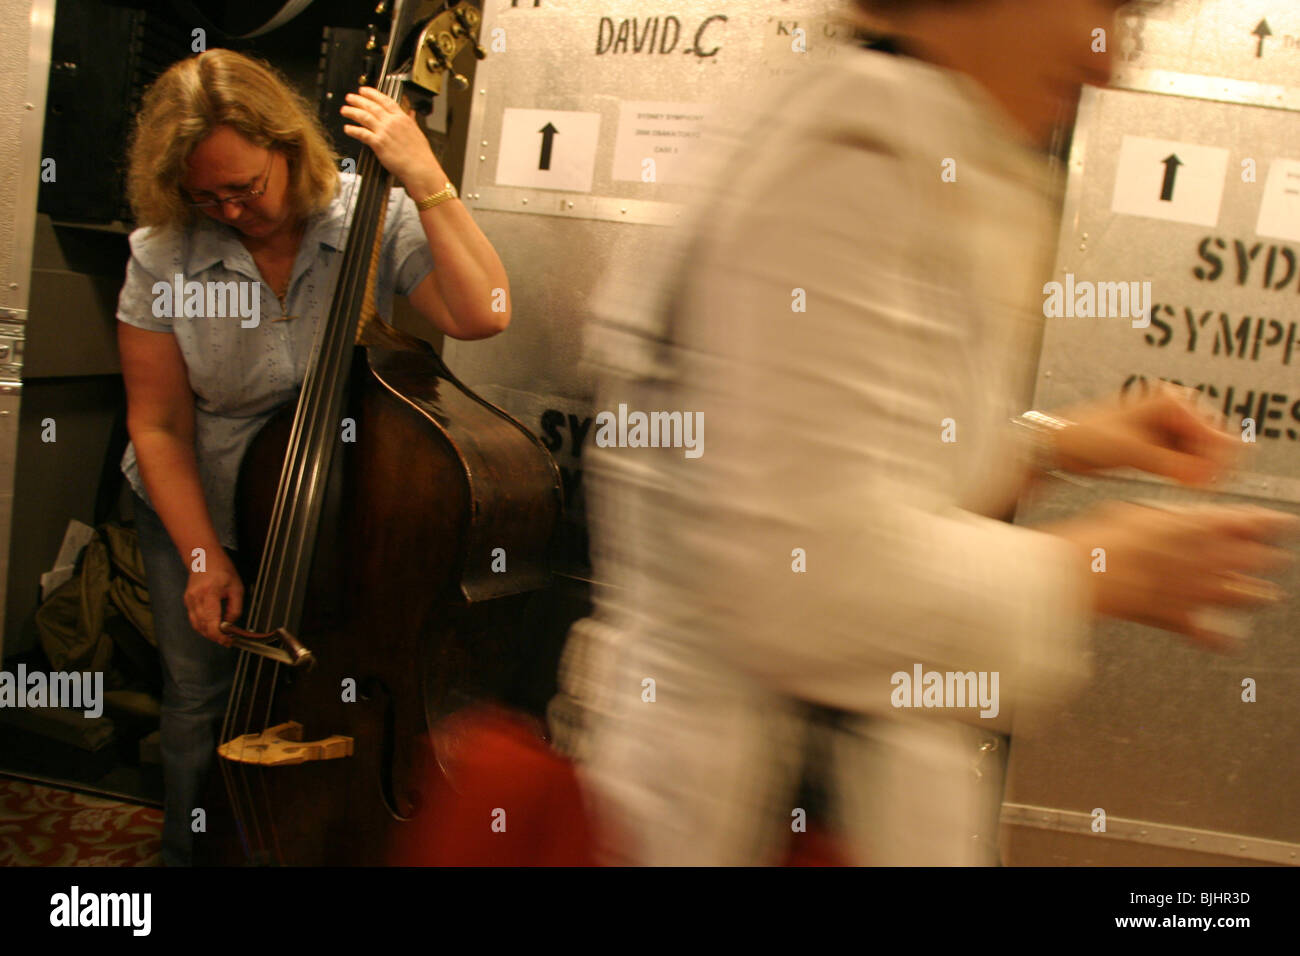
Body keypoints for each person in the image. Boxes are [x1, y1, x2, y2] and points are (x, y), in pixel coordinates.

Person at [558, 0, 1298, 865]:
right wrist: (1094, 570)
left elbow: (866, 461)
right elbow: (803, 576)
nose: (1110, 64)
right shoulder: (855, 151)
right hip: (741, 820)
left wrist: (1062, 444)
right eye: (1103, 8)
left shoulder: (891, 132)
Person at [115, 48, 510, 865]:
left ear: (287, 148)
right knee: (199, 704)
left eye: (245, 188)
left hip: (335, 511)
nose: (229, 209)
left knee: (334, 695)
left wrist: (423, 175)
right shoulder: (164, 253)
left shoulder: (365, 217)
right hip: (205, 501)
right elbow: (157, 425)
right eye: (205, 196)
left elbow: (484, 313)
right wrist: (201, 557)